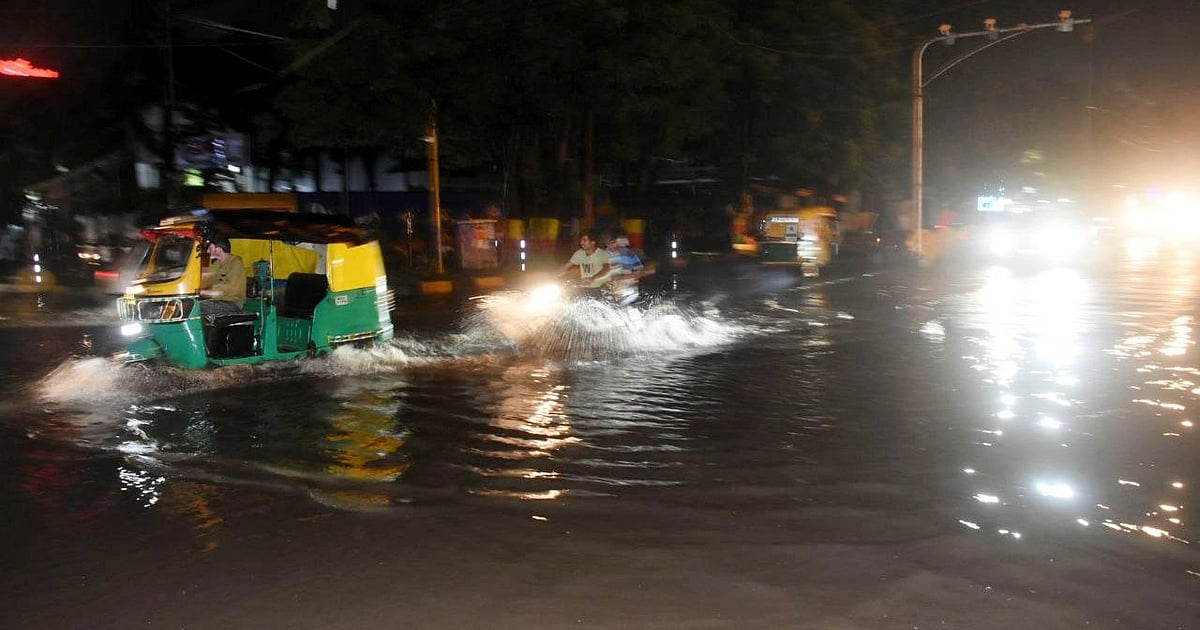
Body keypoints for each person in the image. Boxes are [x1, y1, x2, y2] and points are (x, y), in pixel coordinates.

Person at [200, 236, 246, 320]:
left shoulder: (236, 262)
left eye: (210, 248)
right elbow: (207, 279)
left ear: (219, 249)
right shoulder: (217, 264)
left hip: (232, 303)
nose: (207, 251)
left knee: (199, 307)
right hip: (217, 301)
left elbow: (231, 286)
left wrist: (207, 291)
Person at [604, 235, 655, 306]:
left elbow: (642, 270)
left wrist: (630, 277)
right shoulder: (603, 255)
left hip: (628, 292)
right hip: (610, 291)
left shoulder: (629, 253)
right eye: (612, 242)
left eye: (617, 242)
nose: (615, 245)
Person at [558, 231, 609, 297]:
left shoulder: (602, 254)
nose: (581, 243)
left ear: (593, 242)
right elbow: (566, 266)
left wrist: (592, 278)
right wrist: (552, 276)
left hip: (600, 288)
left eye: (584, 240)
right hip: (584, 288)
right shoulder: (579, 253)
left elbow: (606, 269)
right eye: (581, 240)